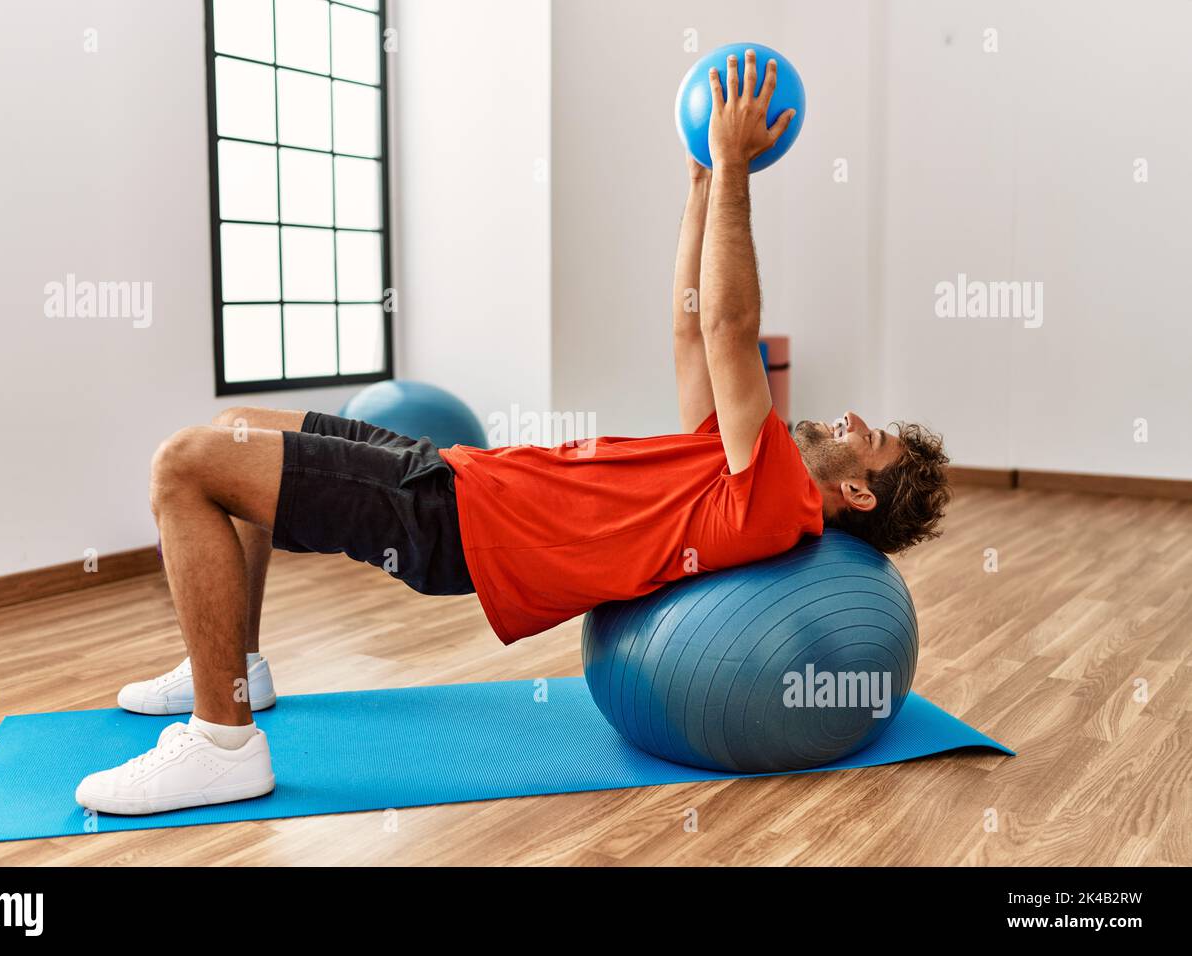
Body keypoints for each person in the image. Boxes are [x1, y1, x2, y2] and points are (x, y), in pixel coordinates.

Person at [75, 51, 950, 815]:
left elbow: (730, 326)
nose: (852, 420)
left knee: (185, 465)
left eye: (868, 439)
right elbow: (692, 329)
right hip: (453, 471)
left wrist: (734, 169)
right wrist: (697, 185)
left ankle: (222, 747)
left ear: (856, 492)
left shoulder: (775, 496)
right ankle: (235, 673)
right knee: (232, 430)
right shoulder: (730, 466)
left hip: (452, 522)